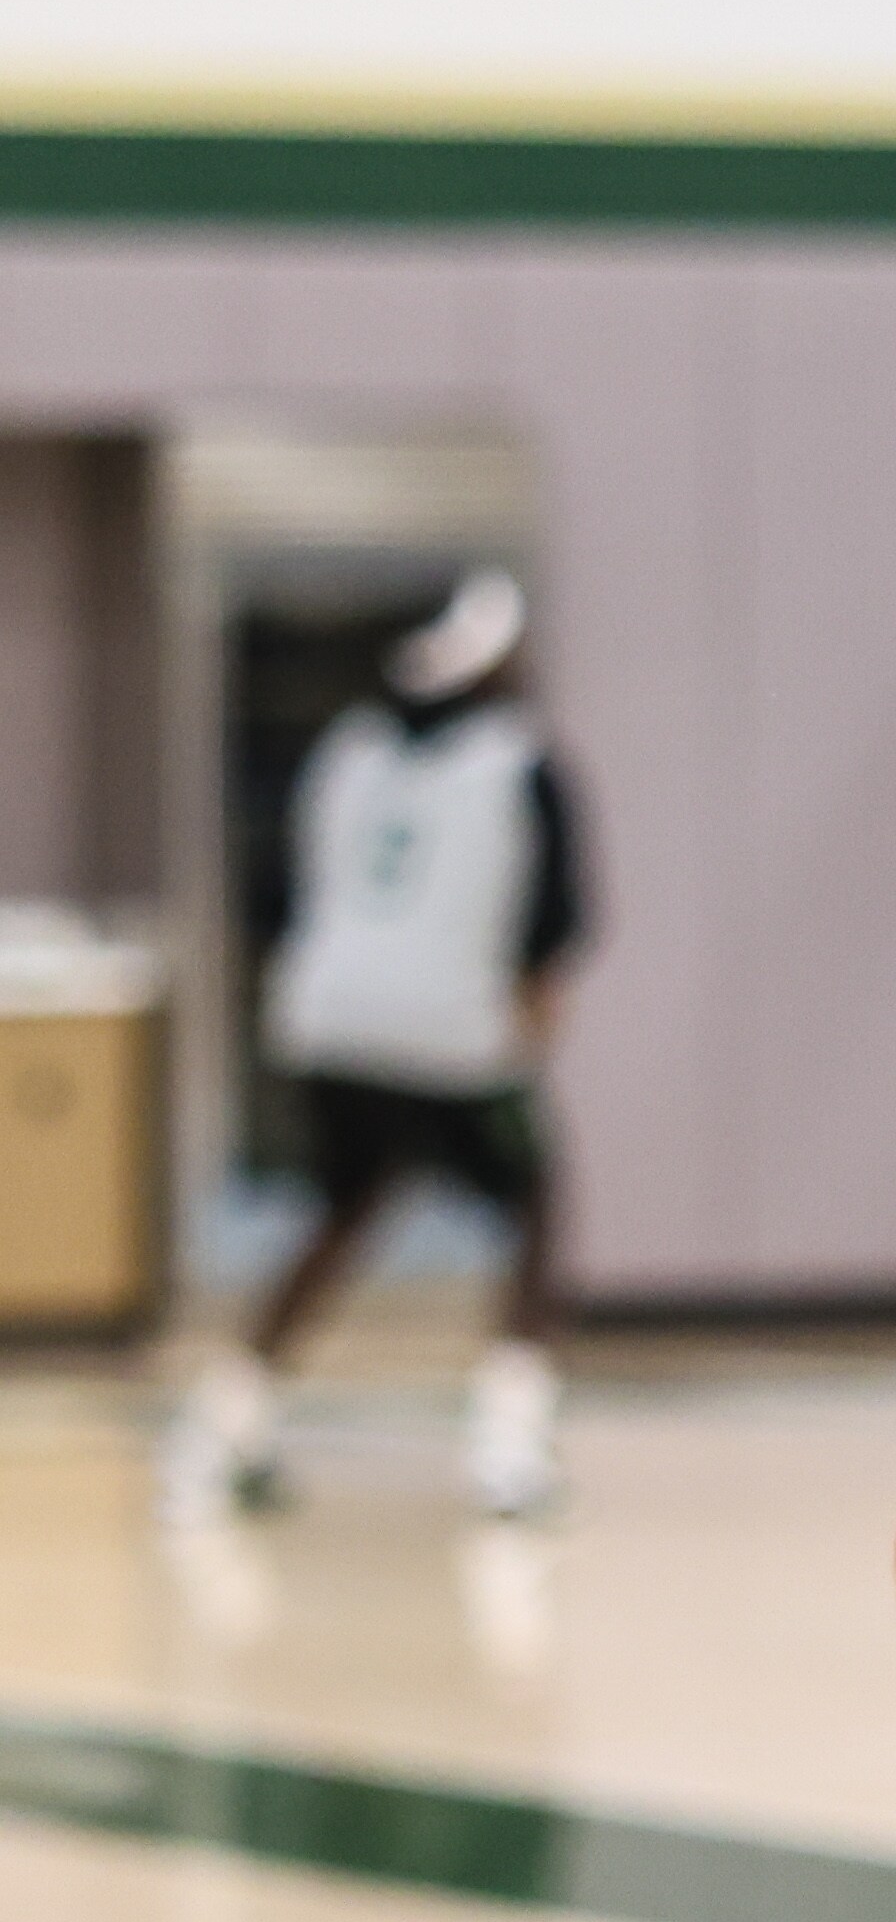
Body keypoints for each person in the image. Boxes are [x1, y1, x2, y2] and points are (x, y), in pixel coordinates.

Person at [163, 568, 590, 1524]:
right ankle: (510, 1447)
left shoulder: (347, 751)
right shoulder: (520, 763)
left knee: (342, 1210)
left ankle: (223, 1427)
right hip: (452, 1031)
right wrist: (524, 1040)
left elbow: (284, 891)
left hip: (328, 1020)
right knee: (538, 1209)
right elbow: (553, 928)